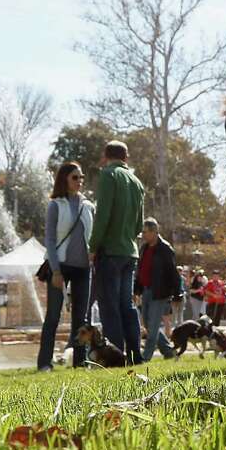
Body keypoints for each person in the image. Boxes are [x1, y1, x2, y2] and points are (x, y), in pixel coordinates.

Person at [88, 140, 145, 359]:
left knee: (109, 306)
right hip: (130, 251)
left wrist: (93, 246)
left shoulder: (108, 175)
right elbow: (139, 225)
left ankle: (115, 355)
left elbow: (102, 215)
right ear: (126, 157)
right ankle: (135, 353)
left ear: (105, 156)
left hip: (110, 251)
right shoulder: (136, 182)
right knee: (127, 306)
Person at [37, 162, 94, 372]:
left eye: (81, 177)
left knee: (81, 318)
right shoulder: (55, 205)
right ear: (64, 179)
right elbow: (50, 240)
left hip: (83, 268)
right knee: (53, 316)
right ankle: (44, 363)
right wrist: (56, 271)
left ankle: (81, 362)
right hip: (59, 266)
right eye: (75, 177)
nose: (80, 181)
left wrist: (94, 253)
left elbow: (92, 236)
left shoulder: (88, 206)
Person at [134, 218, 181, 362]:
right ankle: (168, 351)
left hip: (160, 292)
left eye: (145, 232)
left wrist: (177, 294)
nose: (143, 235)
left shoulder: (165, 249)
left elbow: (173, 273)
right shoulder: (144, 248)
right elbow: (140, 270)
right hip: (146, 290)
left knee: (153, 326)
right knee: (148, 324)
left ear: (154, 232)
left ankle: (145, 357)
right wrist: (137, 290)